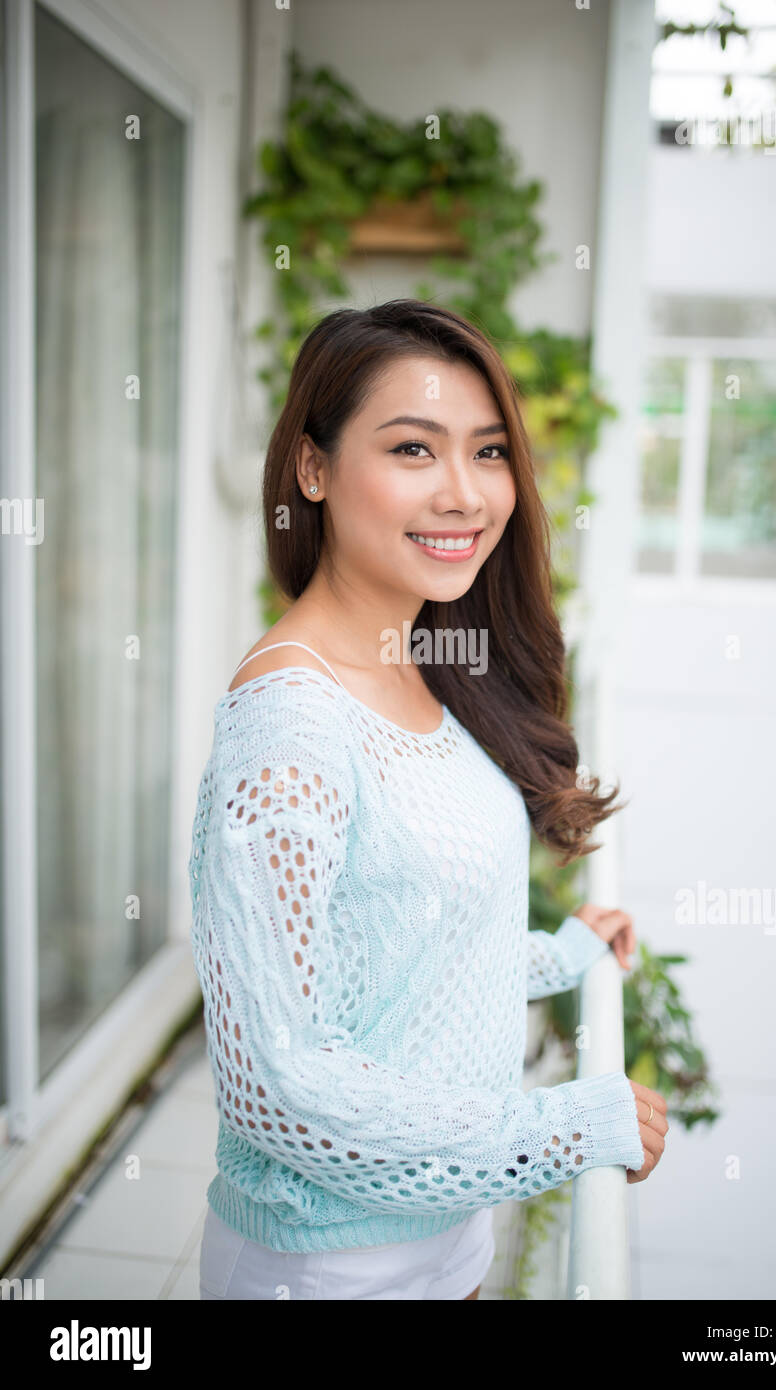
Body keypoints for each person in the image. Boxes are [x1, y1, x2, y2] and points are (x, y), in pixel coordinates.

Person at [190, 298, 667, 1301]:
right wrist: (563, 1125)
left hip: (444, 1241)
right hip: (328, 1269)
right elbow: (282, 1086)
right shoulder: (293, 721)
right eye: (414, 449)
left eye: (489, 453)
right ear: (312, 468)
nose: (465, 494)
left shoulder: (419, 659)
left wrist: (555, 953)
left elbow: (397, 941)